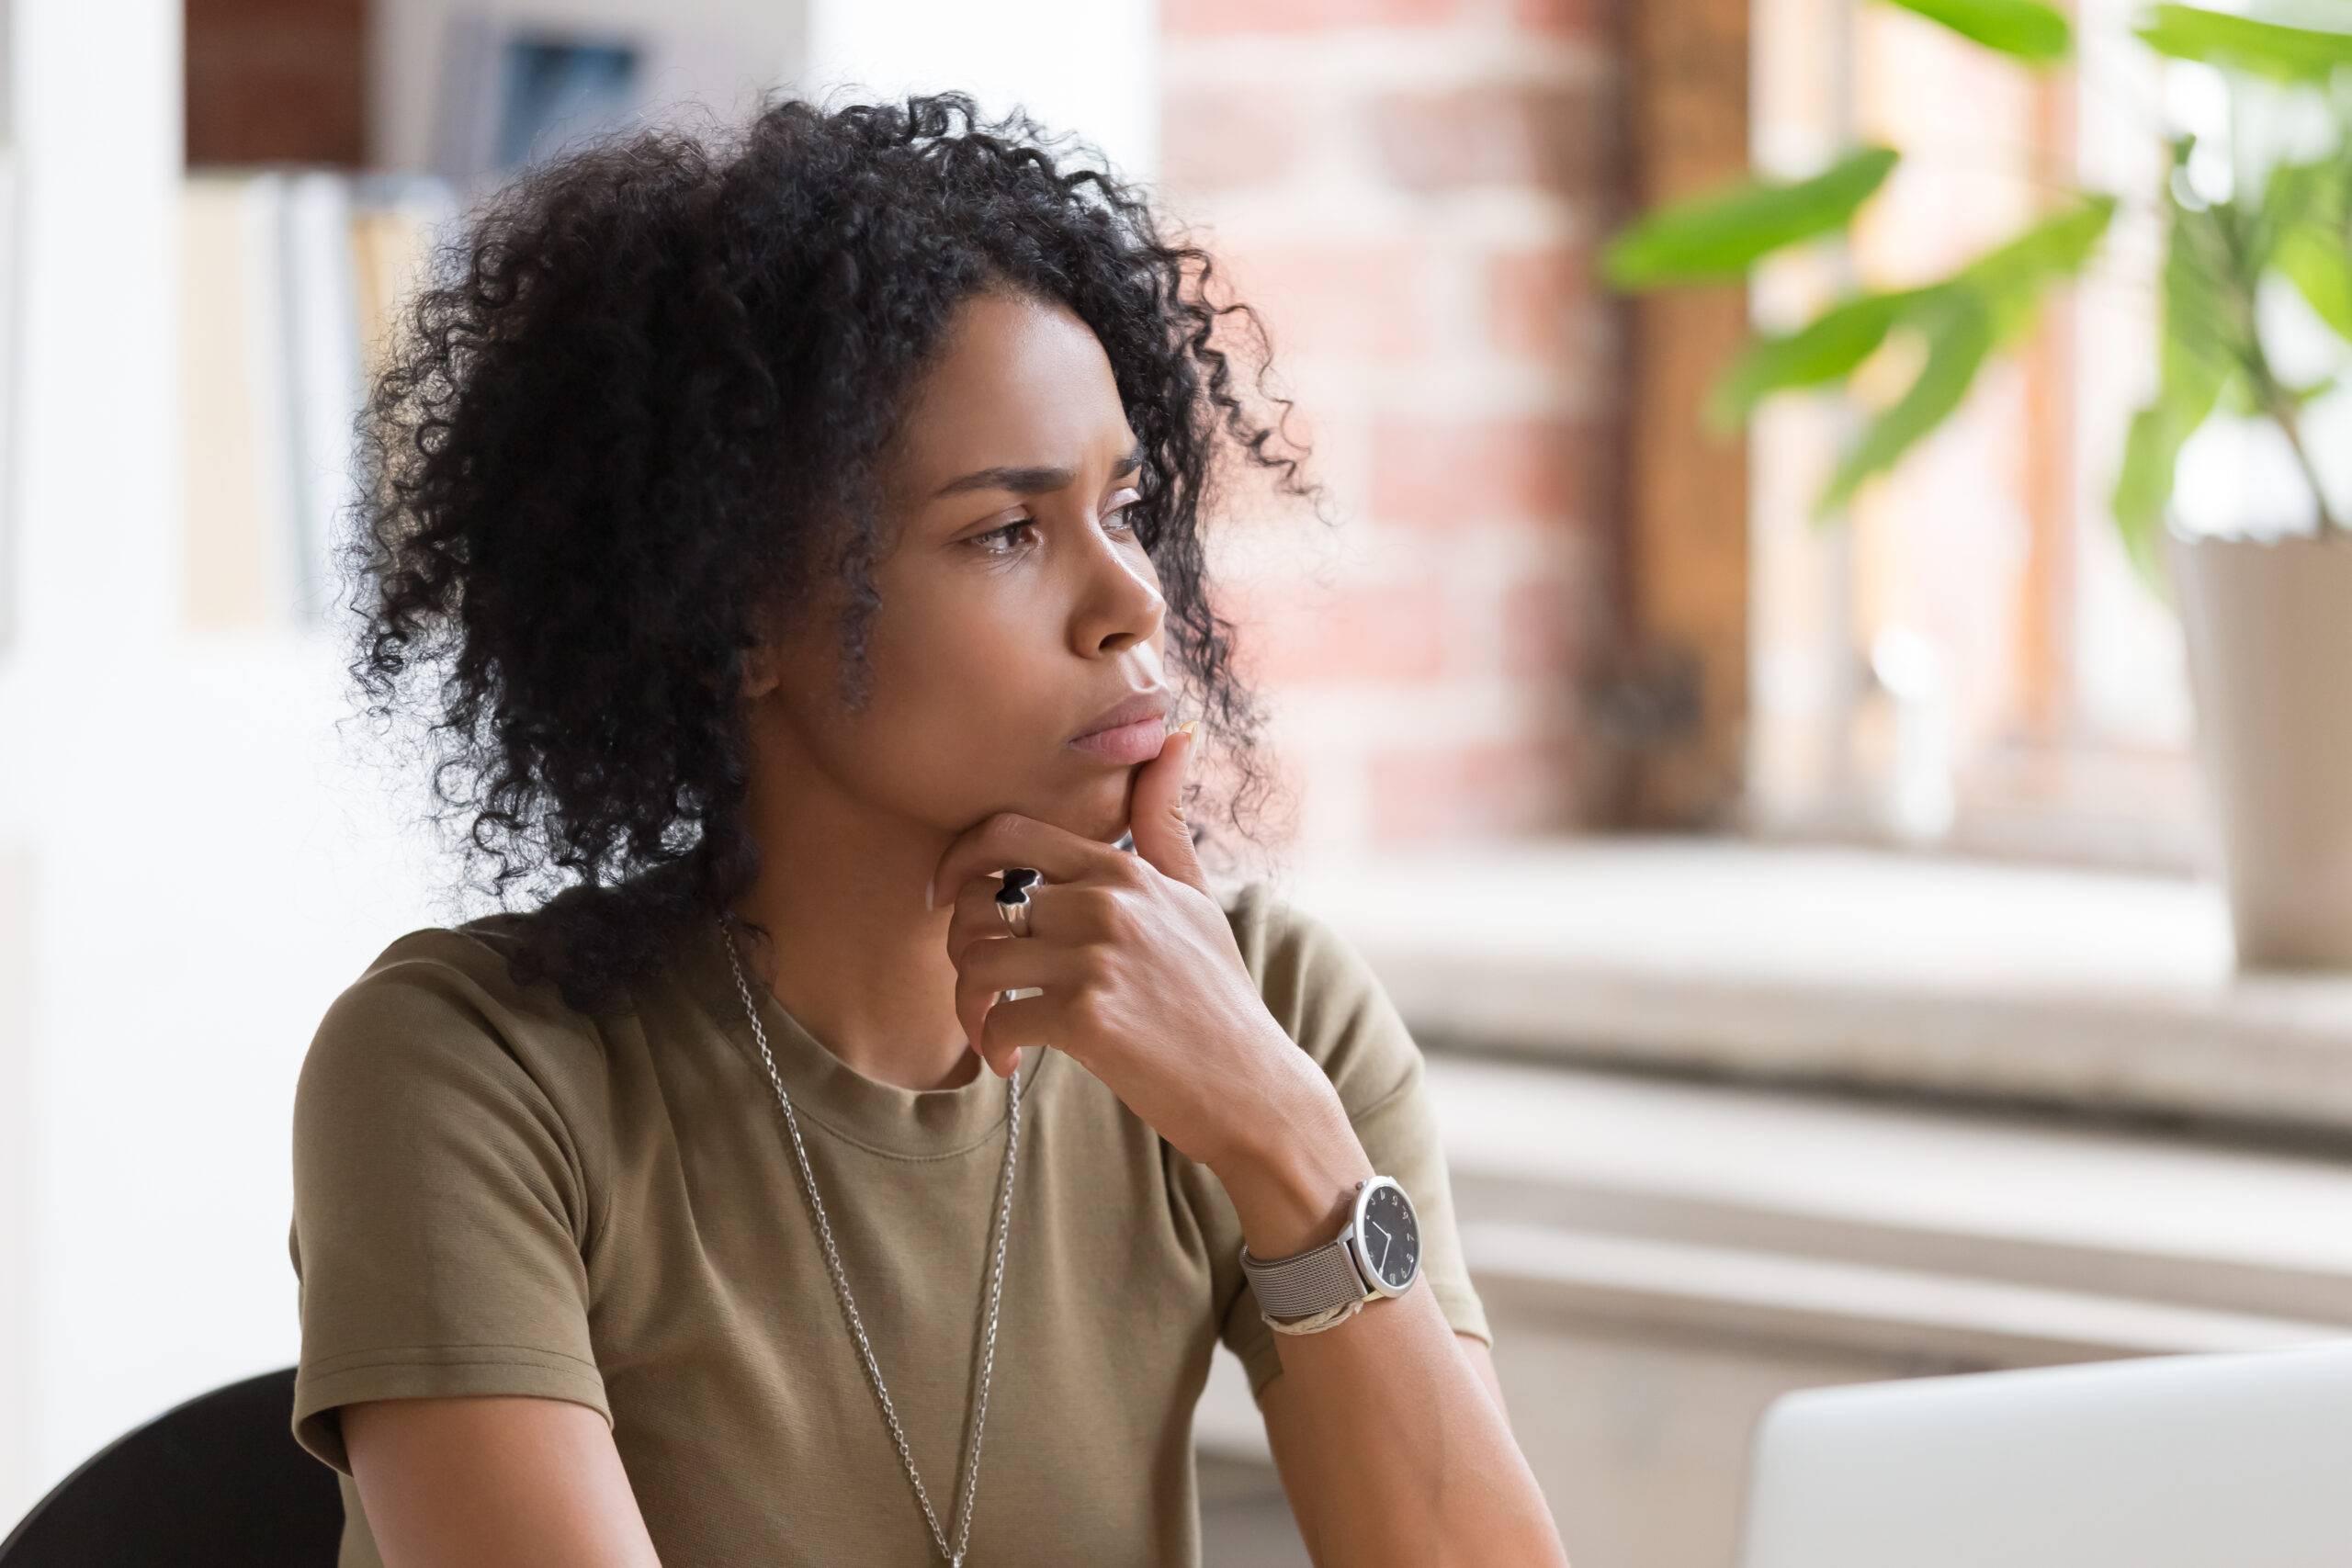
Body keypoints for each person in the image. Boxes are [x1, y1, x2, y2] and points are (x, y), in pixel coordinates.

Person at [288, 88, 1566, 1567]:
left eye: (1127, 506)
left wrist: (1283, 1145)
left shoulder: (1261, 1011)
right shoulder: (473, 1076)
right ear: (741, 615)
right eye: (1006, 532)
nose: (1133, 603)